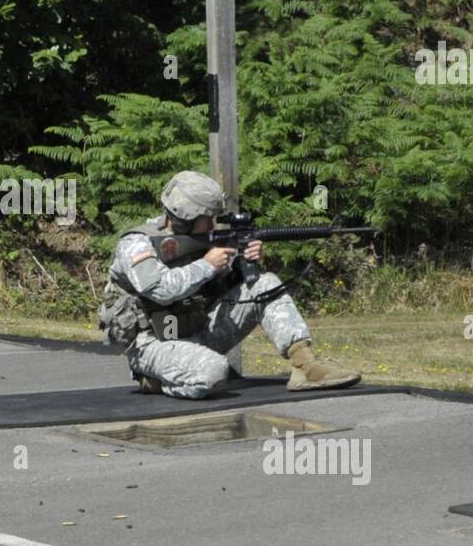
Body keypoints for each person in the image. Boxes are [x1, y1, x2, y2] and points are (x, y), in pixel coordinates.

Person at [98, 171, 361, 399]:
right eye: (208, 216)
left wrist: (242, 264)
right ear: (188, 215)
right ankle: (155, 381)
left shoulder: (206, 240)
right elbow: (160, 290)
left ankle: (305, 366)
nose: (213, 222)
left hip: (198, 330)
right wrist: (208, 264)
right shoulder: (136, 244)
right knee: (213, 373)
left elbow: (220, 291)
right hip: (152, 344)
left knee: (265, 284)